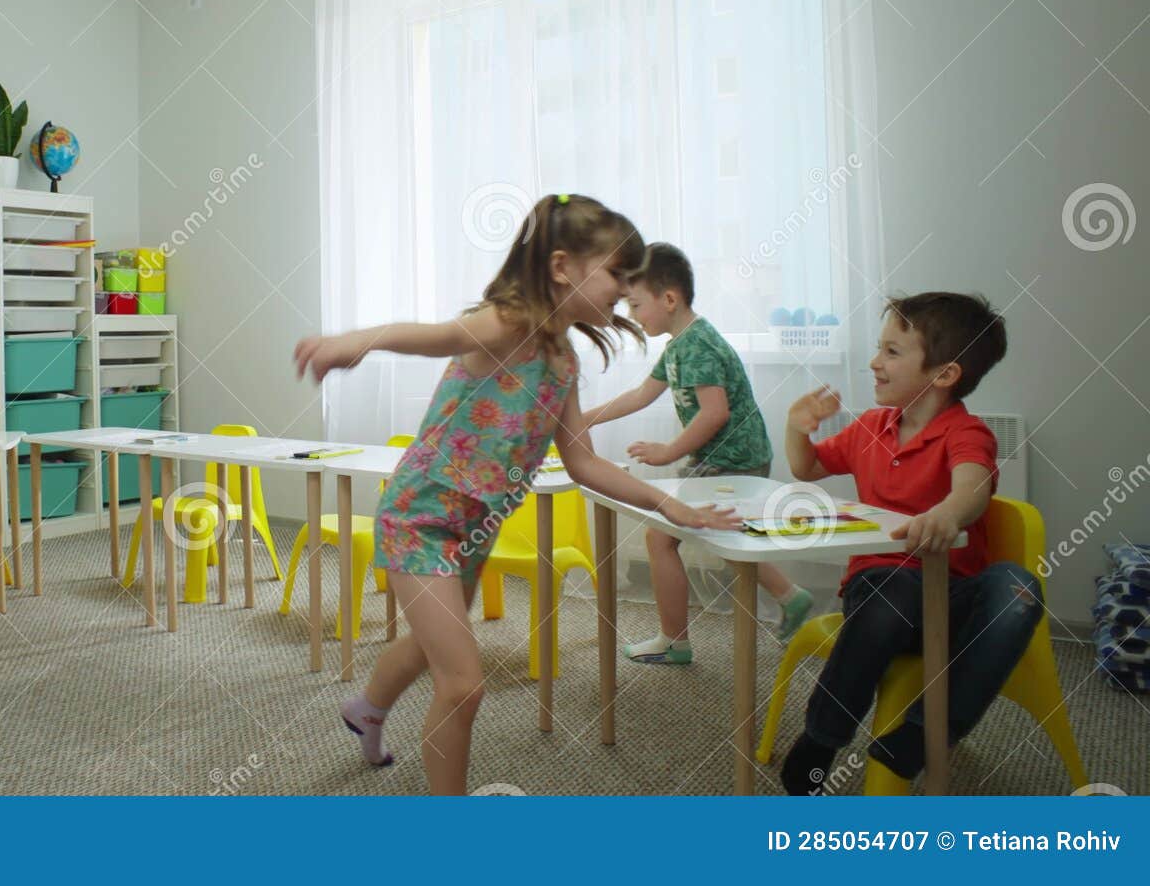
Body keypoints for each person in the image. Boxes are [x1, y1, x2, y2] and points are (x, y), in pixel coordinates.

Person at [294, 194, 742, 794]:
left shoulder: (561, 361)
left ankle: (367, 710)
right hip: (419, 520)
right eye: (617, 273)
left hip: (473, 528)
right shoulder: (505, 323)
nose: (627, 288)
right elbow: (434, 335)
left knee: (430, 648)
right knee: (464, 685)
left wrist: (667, 503)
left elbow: (581, 461)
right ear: (562, 267)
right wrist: (359, 341)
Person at [779, 292, 1041, 794]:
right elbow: (806, 467)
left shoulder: (967, 433)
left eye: (893, 352)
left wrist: (946, 512)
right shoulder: (869, 429)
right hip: (880, 590)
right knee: (891, 589)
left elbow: (973, 485)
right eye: (880, 349)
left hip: (950, 601)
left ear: (944, 375)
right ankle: (821, 741)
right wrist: (796, 429)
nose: (875, 363)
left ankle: (922, 735)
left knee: (1018, 588)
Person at [581, 243, 811, 663]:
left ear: (669, 299)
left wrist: (669, 451)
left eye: (635, 305)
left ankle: (674, 642)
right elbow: (639, 396)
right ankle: (790, 596)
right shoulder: (677, 346)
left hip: (732, 460)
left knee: (659, 537)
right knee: (727, 542)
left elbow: (715, 413)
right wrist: (582, 419)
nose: (632, 315)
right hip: (729, 459)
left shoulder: (697, 346)